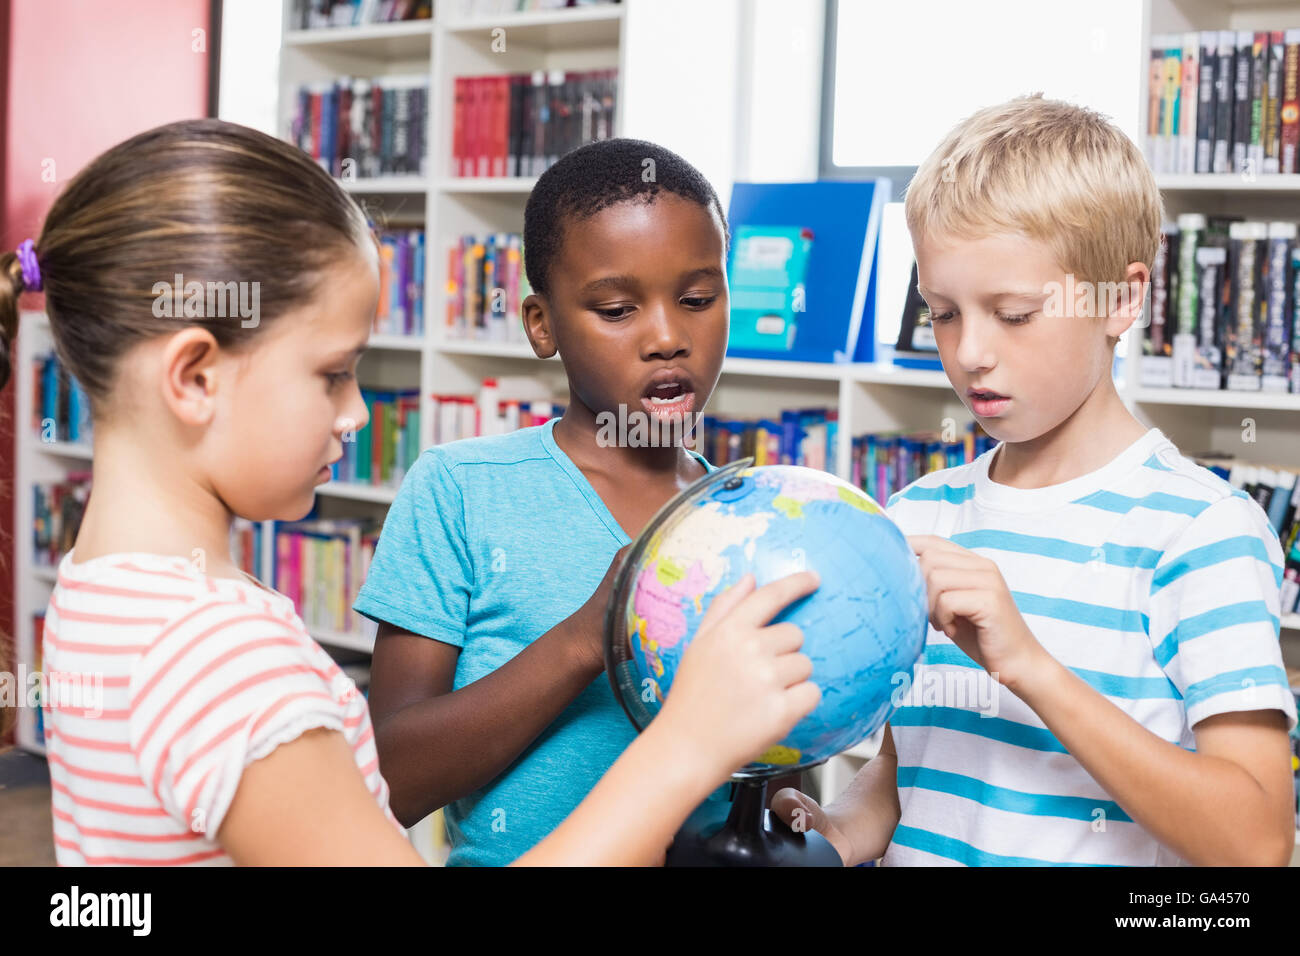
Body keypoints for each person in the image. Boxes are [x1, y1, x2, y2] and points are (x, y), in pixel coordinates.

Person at [1, 118, 820, 865]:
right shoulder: (220, 657)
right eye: (333, 373)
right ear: (193, 376)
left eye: (699, 299)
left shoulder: (106, 595)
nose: (358, 412)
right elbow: (393, 772)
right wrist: (681, 742)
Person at [775, 95, 1298, 866]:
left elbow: (1253, 843)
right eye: (943, 313)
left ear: (1121, 300)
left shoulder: (1200, 531)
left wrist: (1030, 667)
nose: (970, 352)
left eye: (1013, 314)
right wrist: (838, 831)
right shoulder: (916, 515)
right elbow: (905, 764)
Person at [356, 138, 808, 866]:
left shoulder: (748, 514)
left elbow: (763, 749)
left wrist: (777, 797)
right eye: (617, 308)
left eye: (697, 299)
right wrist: (584, 639)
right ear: (542, 324)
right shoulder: (459, 489)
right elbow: (391, 780)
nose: (668, 336)